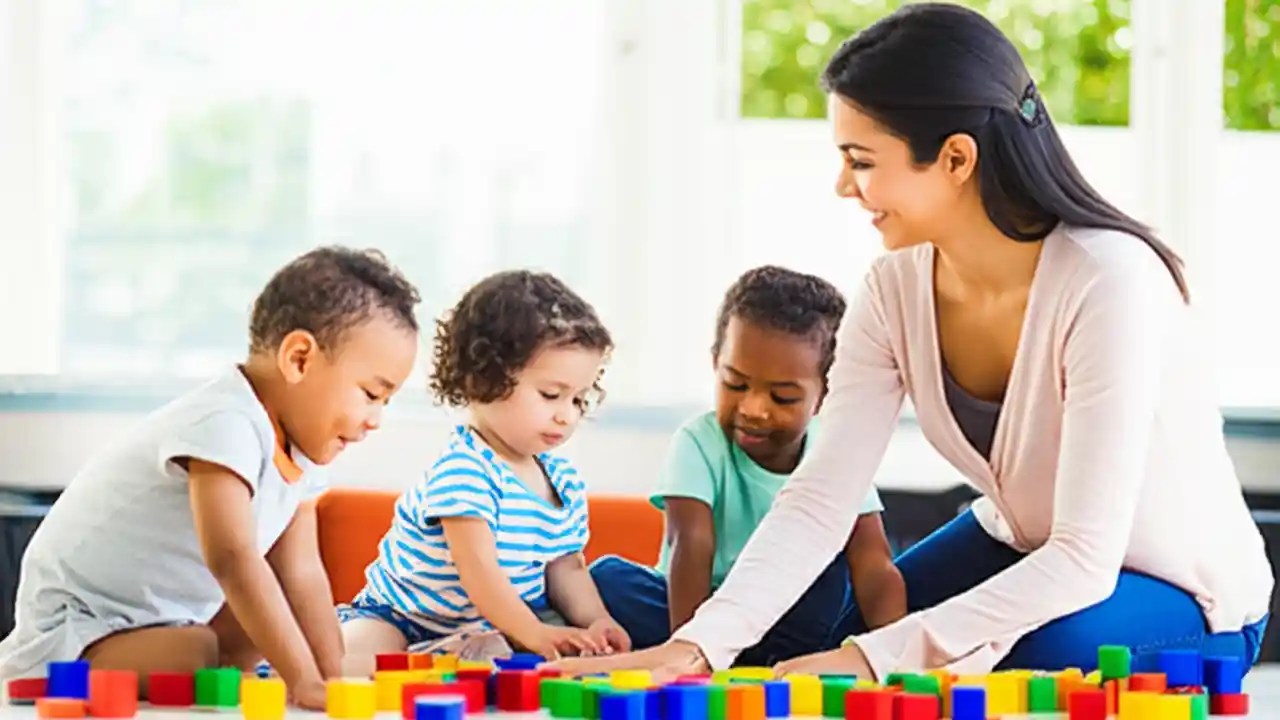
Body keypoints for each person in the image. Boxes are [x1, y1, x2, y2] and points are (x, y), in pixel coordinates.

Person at [552, 3, 1273, 682]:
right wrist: (696, 647)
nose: (843, 184)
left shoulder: (1109, 281)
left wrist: (877, 659)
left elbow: (1085, 557)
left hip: (1181, 590)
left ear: (956, 159)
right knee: (837, 632)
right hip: (1018, 547)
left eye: (861, 160)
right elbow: (818, 500)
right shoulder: (894, 288)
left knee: (1016, 656)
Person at [0, 247, 422, 708]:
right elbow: (232, 557)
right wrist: (301, 680)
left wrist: (330, 676)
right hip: (82, 623)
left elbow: (302, 574)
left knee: (266, 621)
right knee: (202, 650)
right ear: (299, 359)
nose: (376, 419)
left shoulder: (300, 453)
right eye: (371, 394)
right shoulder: (225, 421)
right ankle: (49, 671)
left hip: (160, 620)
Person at [588, 266, 905, 666]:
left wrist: (894, 650)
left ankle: (784, 656)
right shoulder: (699, 441)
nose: (753, 409)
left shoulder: (834, 449)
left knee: (834, 578)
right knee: (608, 579)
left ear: (827, 393)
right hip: (696, 610)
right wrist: (693, 648)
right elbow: (691, 543)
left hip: (787, 611)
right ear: (715, 363)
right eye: (735, 385)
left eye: (783, 397)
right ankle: (726, 656)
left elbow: (873, 561)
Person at [338, 270, 630, 677]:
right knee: (353, 662)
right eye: (550, 395)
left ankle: (450, 662)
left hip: (493, 628)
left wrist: (596, 621)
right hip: (401, 618)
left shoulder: (563, 480)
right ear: (482, 379)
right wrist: (533, 632)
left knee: (558, 661)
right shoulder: (466, 471)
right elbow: (480, 572)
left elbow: (567, 567)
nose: (566, 415)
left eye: (579, 399)